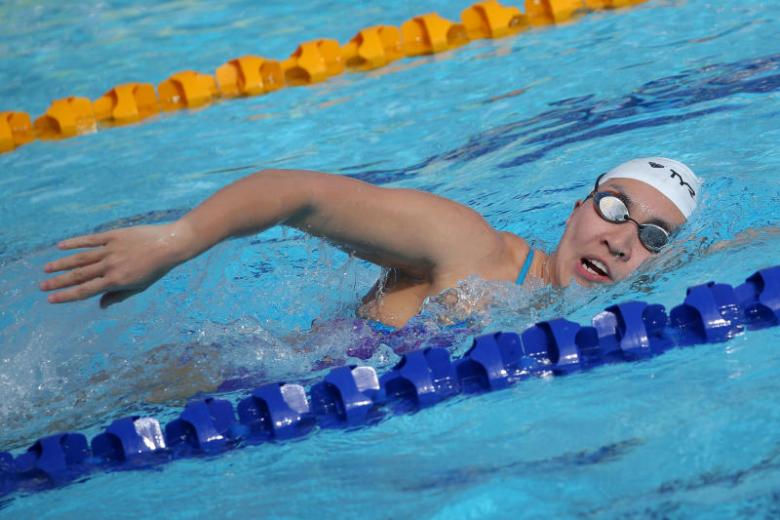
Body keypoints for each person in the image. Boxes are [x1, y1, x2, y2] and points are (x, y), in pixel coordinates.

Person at [40, 157, 702, 329]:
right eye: (614, 209)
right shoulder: (467, 245)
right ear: (578, 207)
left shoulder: (605, 308)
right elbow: (300, 195)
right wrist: (177, 241)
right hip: (247, 384)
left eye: (652, 236)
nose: (621, 241)